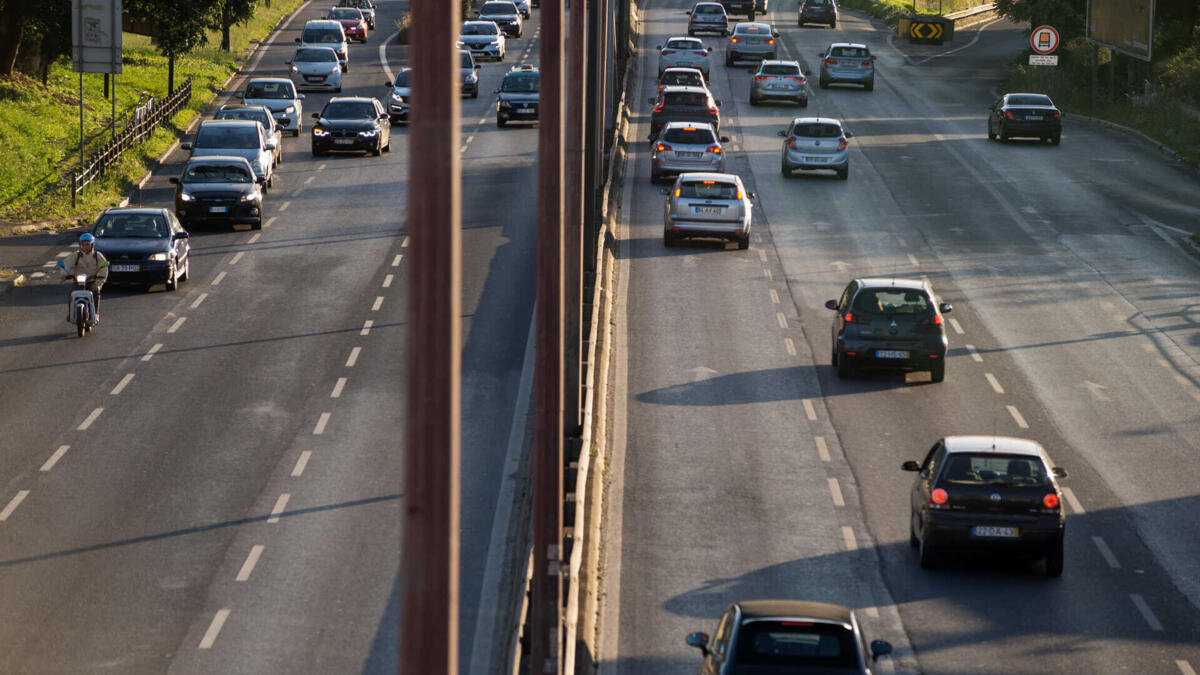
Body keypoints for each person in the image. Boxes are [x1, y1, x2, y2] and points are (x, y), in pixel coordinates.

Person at [63, 233, 110, 322]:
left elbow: (104, 268)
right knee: (72, 293)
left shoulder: (98, 256)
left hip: (92, 282)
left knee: (95, 293)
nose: (85, 247)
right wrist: (64, 274)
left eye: (87, 245)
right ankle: (71, 313)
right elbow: (66, 264)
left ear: (92, 245)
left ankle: (95, 314)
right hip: (78, 282)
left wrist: (98, 283)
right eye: (82, 245)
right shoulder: (75, 255)